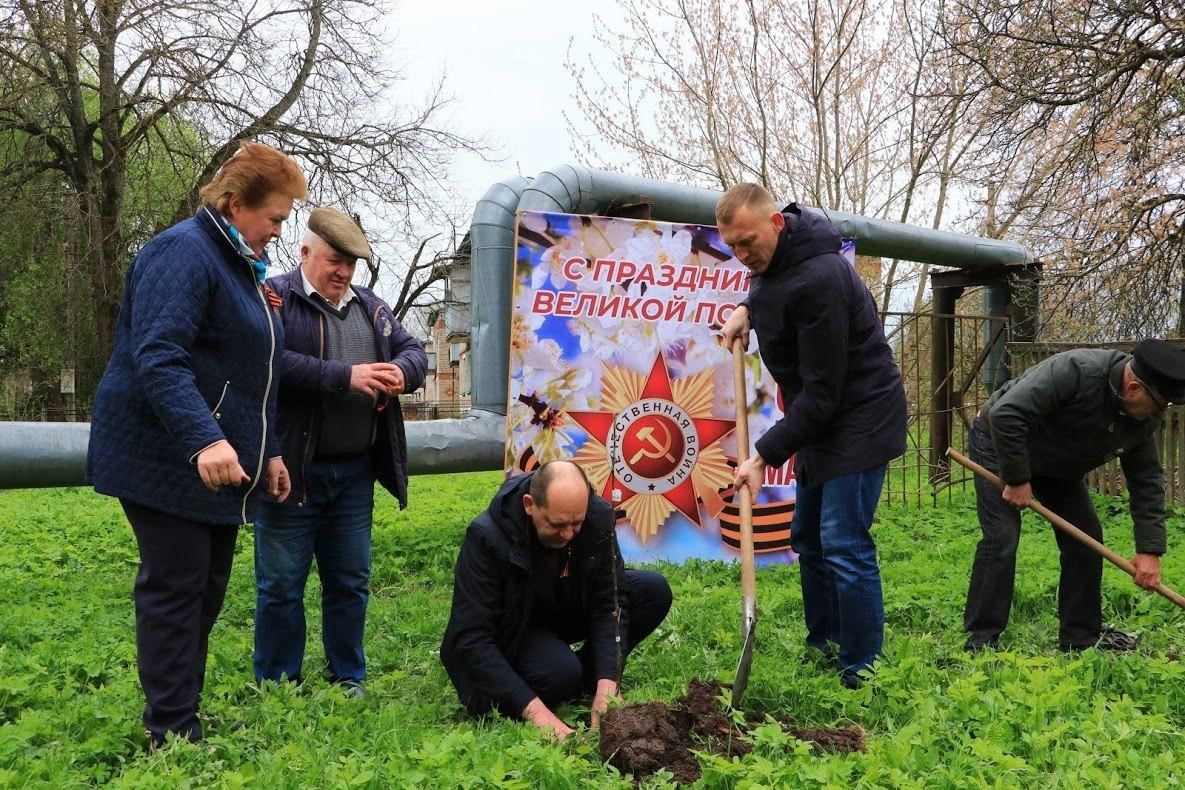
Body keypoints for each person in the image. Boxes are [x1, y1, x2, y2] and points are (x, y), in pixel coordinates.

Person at [87, 141, 307, 746]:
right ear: (237, 204)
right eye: (275, 218)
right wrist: (204, 439)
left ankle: (180, 710)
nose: (278, 232)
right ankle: (171, 729)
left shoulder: (235, 263)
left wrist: (268, 450)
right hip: (166, 453)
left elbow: (251, 372)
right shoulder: (183, 252)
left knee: (204, 585)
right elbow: (158, 355)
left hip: (216, 458)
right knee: (178, 584)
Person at [715, 183, 907, 687]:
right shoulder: (774, 260)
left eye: (747, 241)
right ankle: (823, 643)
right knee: (808, 538)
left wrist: (762, 456)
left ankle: (860, 668)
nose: (740, 255)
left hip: (859, 418)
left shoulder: (822, 277)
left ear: (776, 223)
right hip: (823, 417)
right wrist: (745, 309)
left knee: (842, 541)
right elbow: (770, 283)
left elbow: (824, 396)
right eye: (730, 245)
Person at [254, 207, 427, 696]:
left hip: (353, 474)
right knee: (281, 586)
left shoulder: (371, 307)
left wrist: (403, 372)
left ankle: (347, 675)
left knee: (350, 581)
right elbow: (267, 360)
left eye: (352, 263)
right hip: (289, 469)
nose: (344, 272)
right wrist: (343, 376)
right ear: (304, 252)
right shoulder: (276, 299)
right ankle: (278, 682)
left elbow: (415, 350)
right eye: (335, 260)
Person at [964, 339, 1185, 652]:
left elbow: (1146, 479)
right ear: (1134, 388)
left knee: (1086, 539)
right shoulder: (1078, 371)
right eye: (1161, 404)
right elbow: (1006, 413)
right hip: (1001, 444)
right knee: (1002, 537)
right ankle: (981, 640)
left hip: (1057, 463)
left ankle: (1080, 638)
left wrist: (1150, 549)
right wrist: (1016, 478)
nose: (1160, 413)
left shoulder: (1143, 419)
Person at [440, 461, 672, 739]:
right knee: (560, 675)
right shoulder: (486, 537)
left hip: (563, 604)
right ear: (529, 505)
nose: (568, 534)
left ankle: (589, 678)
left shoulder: (596, 517)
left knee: (652, 590)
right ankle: (555, 675)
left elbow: (609, 601)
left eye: (577, 523)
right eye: (557, 524)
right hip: (516, 626)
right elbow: (471, 639)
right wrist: (540, 716)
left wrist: (608, 684)